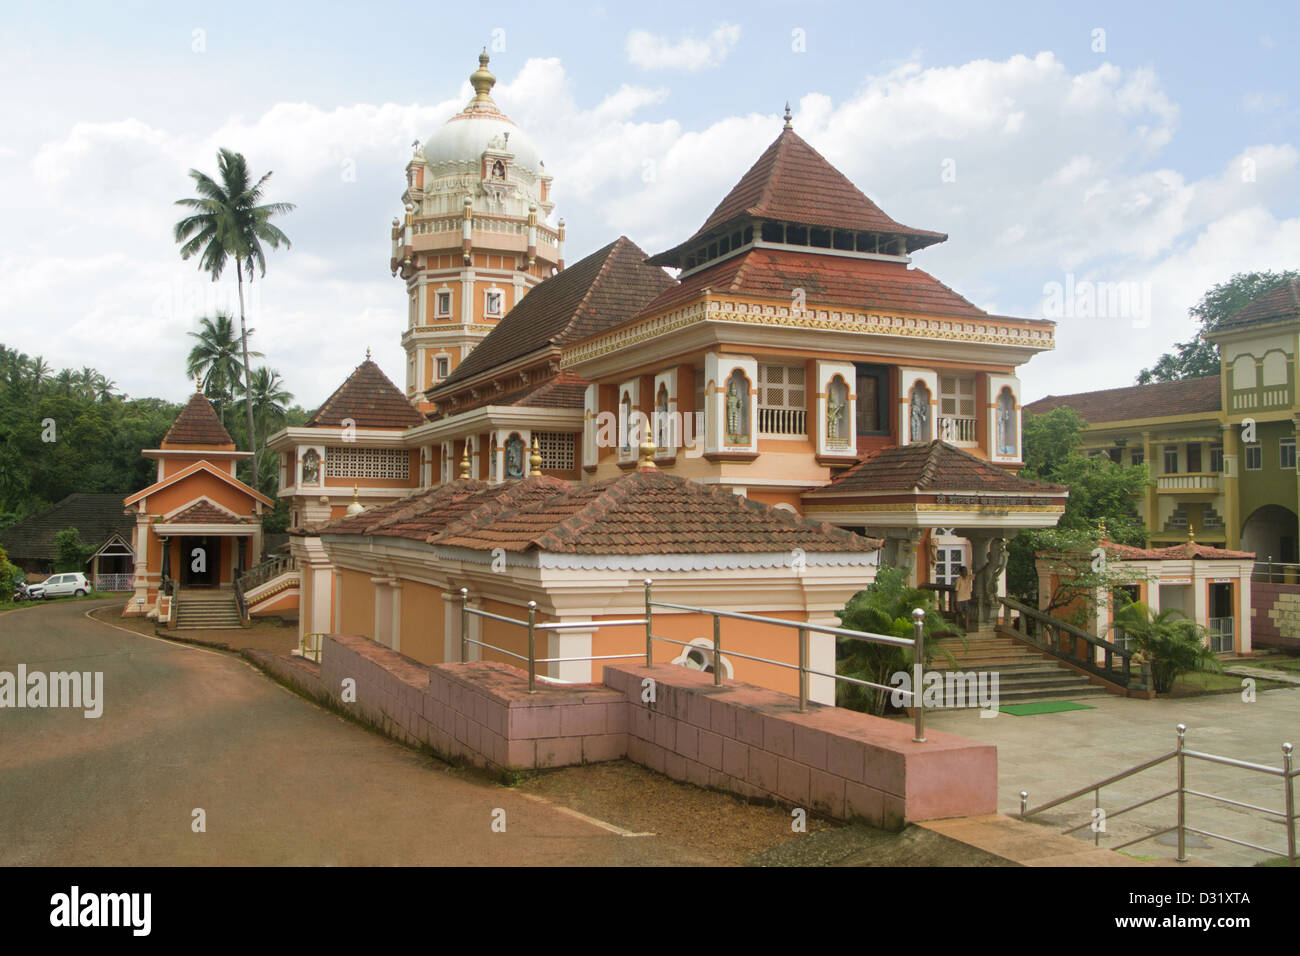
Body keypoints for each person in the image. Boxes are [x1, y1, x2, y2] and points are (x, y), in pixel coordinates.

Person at [955, 565, 974, 629]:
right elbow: (956, 591)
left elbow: (977, 573)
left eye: (966, 571)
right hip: (959, 599)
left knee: (967, 613)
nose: (965, 572)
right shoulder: (958, 580)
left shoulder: (968, 578)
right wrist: (956, 601)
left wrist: (985, 566)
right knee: (959, 613)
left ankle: (967, 627)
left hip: (966, 598)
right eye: (964, 571)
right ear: (960, 572)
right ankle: (957, 626)